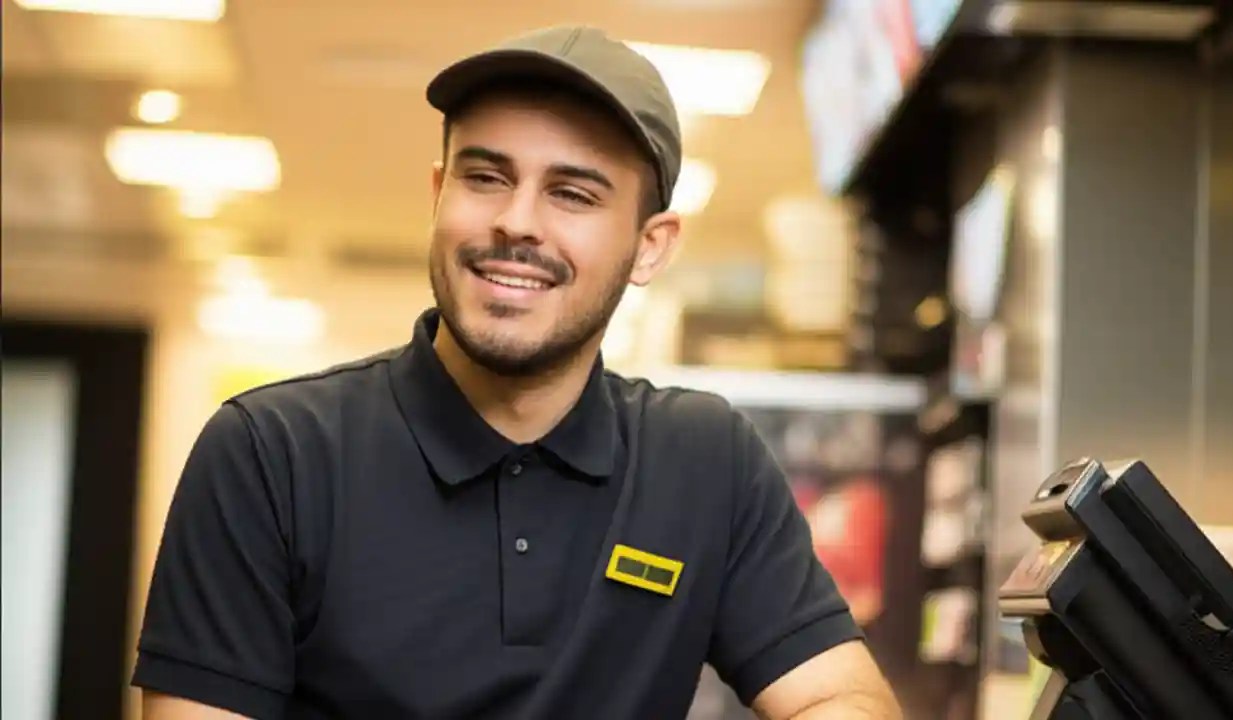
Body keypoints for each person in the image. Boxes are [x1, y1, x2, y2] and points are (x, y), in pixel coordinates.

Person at [133, 25, 903, 720]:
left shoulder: (706, 462)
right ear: (438, 194)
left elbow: (839, 695)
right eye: (486, 177)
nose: (518, 222)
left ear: (651, 246)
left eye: (572, 193)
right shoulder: (271, 453)